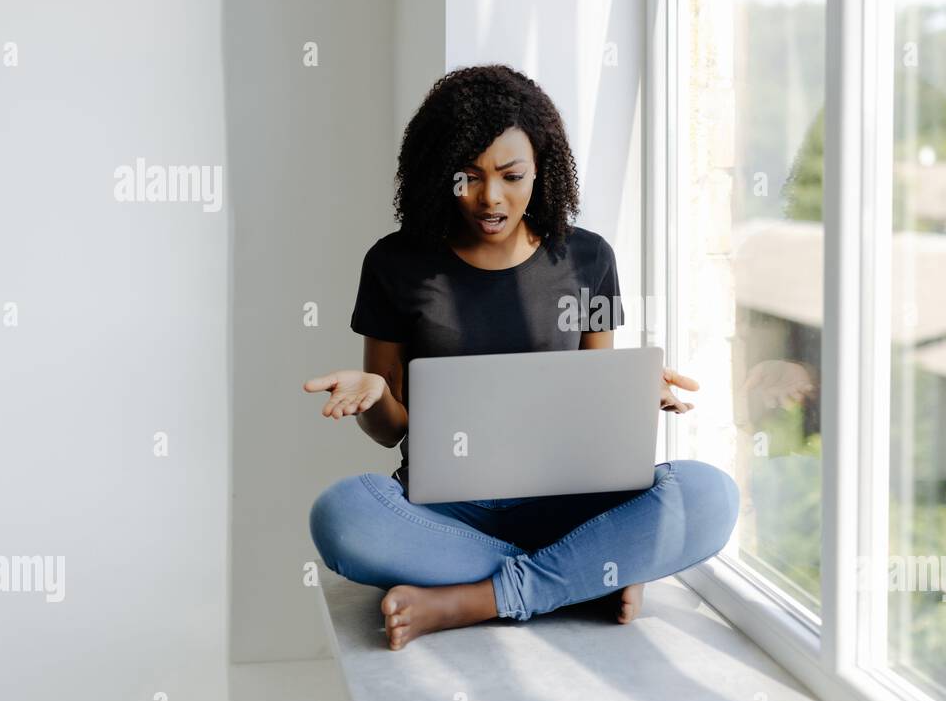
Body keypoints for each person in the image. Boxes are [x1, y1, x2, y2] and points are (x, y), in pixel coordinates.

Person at [303, 64, 740, 651]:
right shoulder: (396, 264)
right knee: (342, 516)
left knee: (711, 495)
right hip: (451, 514)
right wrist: (377, 399)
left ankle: (478, 598)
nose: (490, 198)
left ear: (542, 169)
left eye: (512, 176)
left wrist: (627, 394)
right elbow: (389, 435)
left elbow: (592, 413)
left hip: (566, 506)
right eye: (469, 178)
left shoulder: (586, 260)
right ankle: (580, 577)